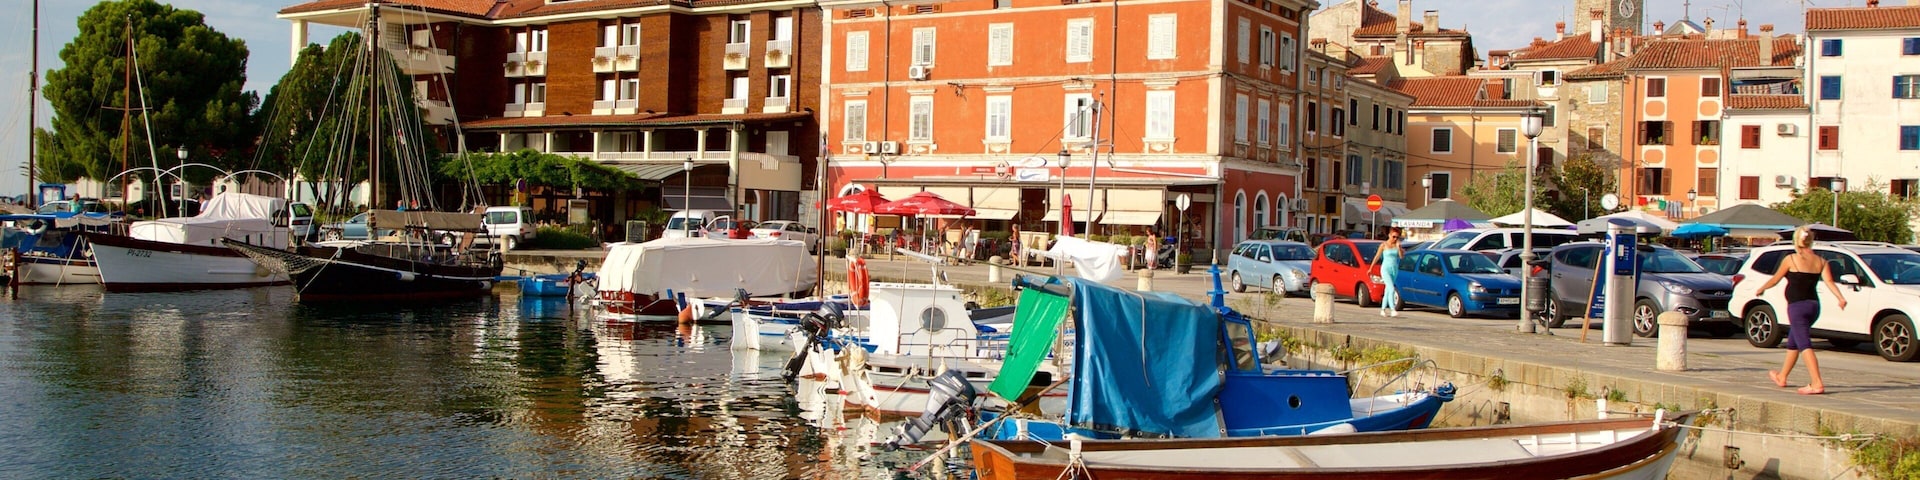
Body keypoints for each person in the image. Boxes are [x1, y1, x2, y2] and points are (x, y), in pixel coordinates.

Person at [1753, 226, 1845, 395]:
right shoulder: (1821, 261)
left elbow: (1775, 279)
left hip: (1797, 307)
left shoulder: (1791, 259)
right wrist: (1840, 298)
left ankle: (1816, 383)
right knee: (1793, 343)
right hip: (1813, 306)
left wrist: (1761, 289)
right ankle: (1782, 376)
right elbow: (1830, 282)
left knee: (1805, 345)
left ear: (1796, 241)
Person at [1369, 228, 1405, 317]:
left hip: (1394, 269)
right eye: (1394, 236)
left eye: (1397, 237)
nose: (1395, 239)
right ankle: (1392, 309)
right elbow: (1377, 256)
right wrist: (1371, 268)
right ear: (1389, 235)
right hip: (1385, 269)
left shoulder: (1397, 245)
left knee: (1388, 290)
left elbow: (1401, 257)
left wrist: (1399, 248)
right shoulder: (1383, 245)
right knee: (1392, 288)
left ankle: (1383, 309)